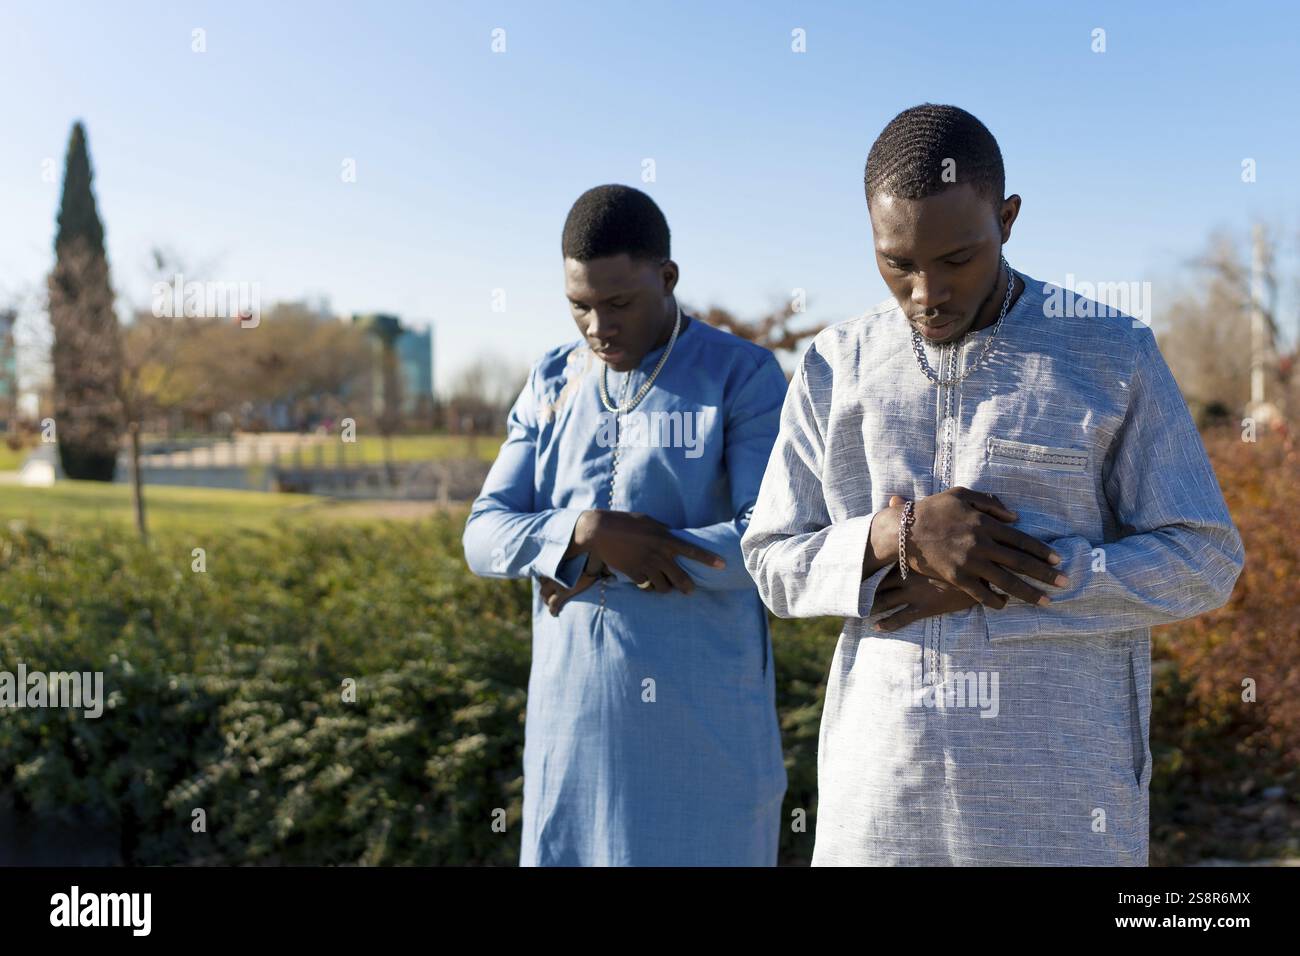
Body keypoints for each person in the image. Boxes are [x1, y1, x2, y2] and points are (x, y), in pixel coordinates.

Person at [741, 104, 1245, 866]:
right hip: (882, 800)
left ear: (1007, 219)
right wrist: (893, 537)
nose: (927, 293)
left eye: (957, 259)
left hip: (1063, 803)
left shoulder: (1111, 353)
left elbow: (1204, 560)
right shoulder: (834, 365)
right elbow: (772, 562)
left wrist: (1013, 578)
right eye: (898, 263)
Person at [463, 184, 789, 865]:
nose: (596, 326)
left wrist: (616, 554)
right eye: (579, 305)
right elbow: (484, 533)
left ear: (667, 278)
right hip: (571, 733)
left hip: (704, 734)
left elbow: (769, 540)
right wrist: (580, 534)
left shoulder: (742, 376)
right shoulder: (552, 382)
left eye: (618, 303)